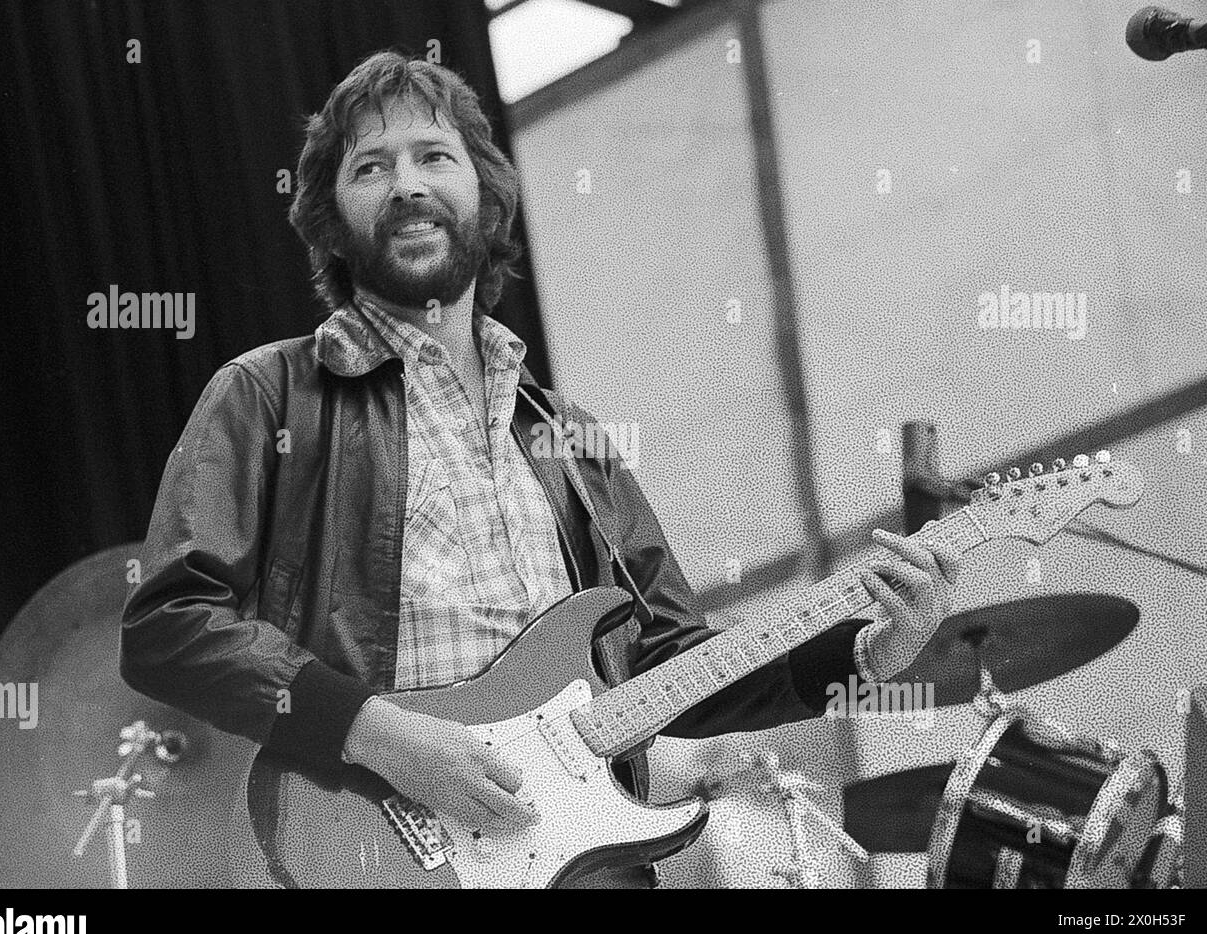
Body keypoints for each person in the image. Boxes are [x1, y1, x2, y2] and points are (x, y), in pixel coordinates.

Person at [120, 51, 960, 887]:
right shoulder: (268, 396)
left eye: (434, 156)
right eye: (370, 166)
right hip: (373, 855)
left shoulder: (571, 441)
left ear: (486, 196)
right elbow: (169, 627)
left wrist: (867, 654)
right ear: (330, 220)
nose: (407, 183)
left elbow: (674, 669)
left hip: (582, 862)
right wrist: (380, 736)